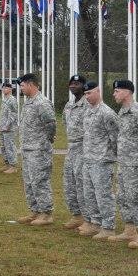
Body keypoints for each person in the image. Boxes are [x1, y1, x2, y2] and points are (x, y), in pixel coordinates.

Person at [112, 79, 138, 249]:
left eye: (117, 91)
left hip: (137, 164)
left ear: (127, 92)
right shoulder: (122, 111)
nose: (114, 94)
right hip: (124, 162)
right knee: (123, 196)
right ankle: (130, 229)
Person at [15, 72, 57, 226]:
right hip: (27, 149)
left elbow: (50, 124)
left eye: (23, 85)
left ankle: (46, 213)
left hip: (39, 150)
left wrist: (47, 141)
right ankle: (35, 211)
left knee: (40, 181)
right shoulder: (28, 102)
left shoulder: (42, 103)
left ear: (31, 84)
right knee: (29, 181)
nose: (21, 89)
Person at [80, 81, 119, 240]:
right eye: (85, 94)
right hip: (88, 158)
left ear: (98, 91)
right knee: (89, 193)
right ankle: (95, 222)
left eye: (90, 93)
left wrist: (111, 157)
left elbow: (116, 138)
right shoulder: (88, 111)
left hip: (102, 160)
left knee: (103, 195)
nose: (87, 96)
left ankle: (108, 226)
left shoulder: (107, 113)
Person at [63, 74, 90, 232]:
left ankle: (88, 217)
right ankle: (76, 215)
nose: (73, 85)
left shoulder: (87, 104)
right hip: (71, 147)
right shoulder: (69, 105)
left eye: (77, 83)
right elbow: (65, 123)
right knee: (69, 183)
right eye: (71, 83)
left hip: (83, 147)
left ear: (84, 86)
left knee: (82, 184)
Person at [0, 81, 19, 174]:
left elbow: (13, 115)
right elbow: (3, 114)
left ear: (10, 89)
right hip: (2, 128)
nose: (4, 89)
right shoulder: (5, 99)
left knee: (9, 146)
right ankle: (7, 164)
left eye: (6, 88)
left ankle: (13, 166)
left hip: (9, 129)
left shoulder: (12, 100)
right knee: (3, 147)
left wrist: (7, 126)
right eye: (3, 87)